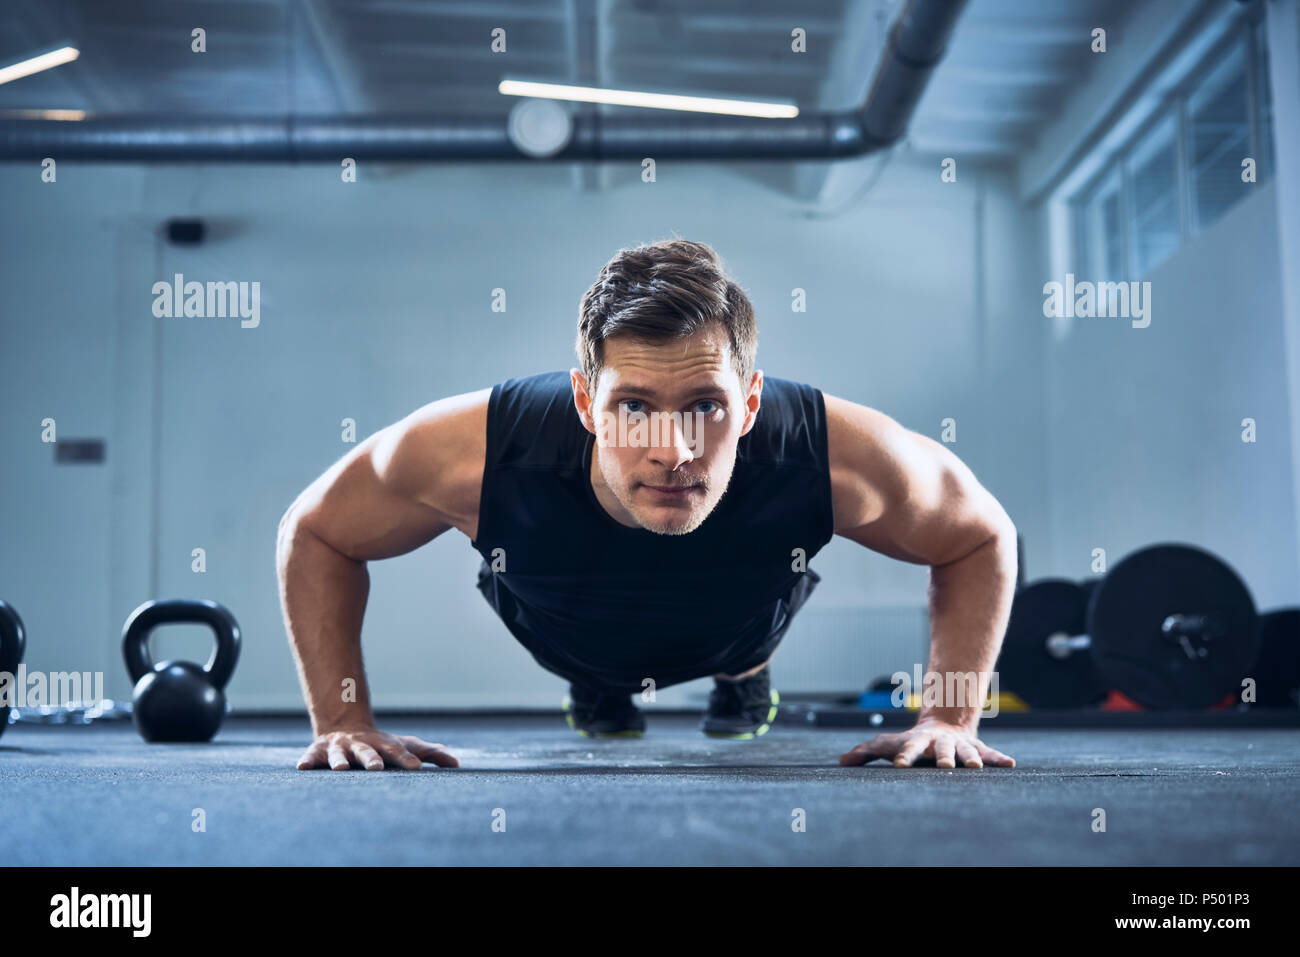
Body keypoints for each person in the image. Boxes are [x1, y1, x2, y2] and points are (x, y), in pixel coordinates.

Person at [277, 239, 1018, 772]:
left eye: (705, 405)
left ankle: (742, 678)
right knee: (590, 653)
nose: (674, 450)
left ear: (752, 402)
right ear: (584, 402)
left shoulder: (834, 454)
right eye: (634, 405)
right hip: (563, 625)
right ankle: (600, 686)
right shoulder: (471, 450)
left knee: (745, 624)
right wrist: (342, 720)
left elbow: (979, 538)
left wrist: (950, 714)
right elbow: (316, 532)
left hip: (737, 623)